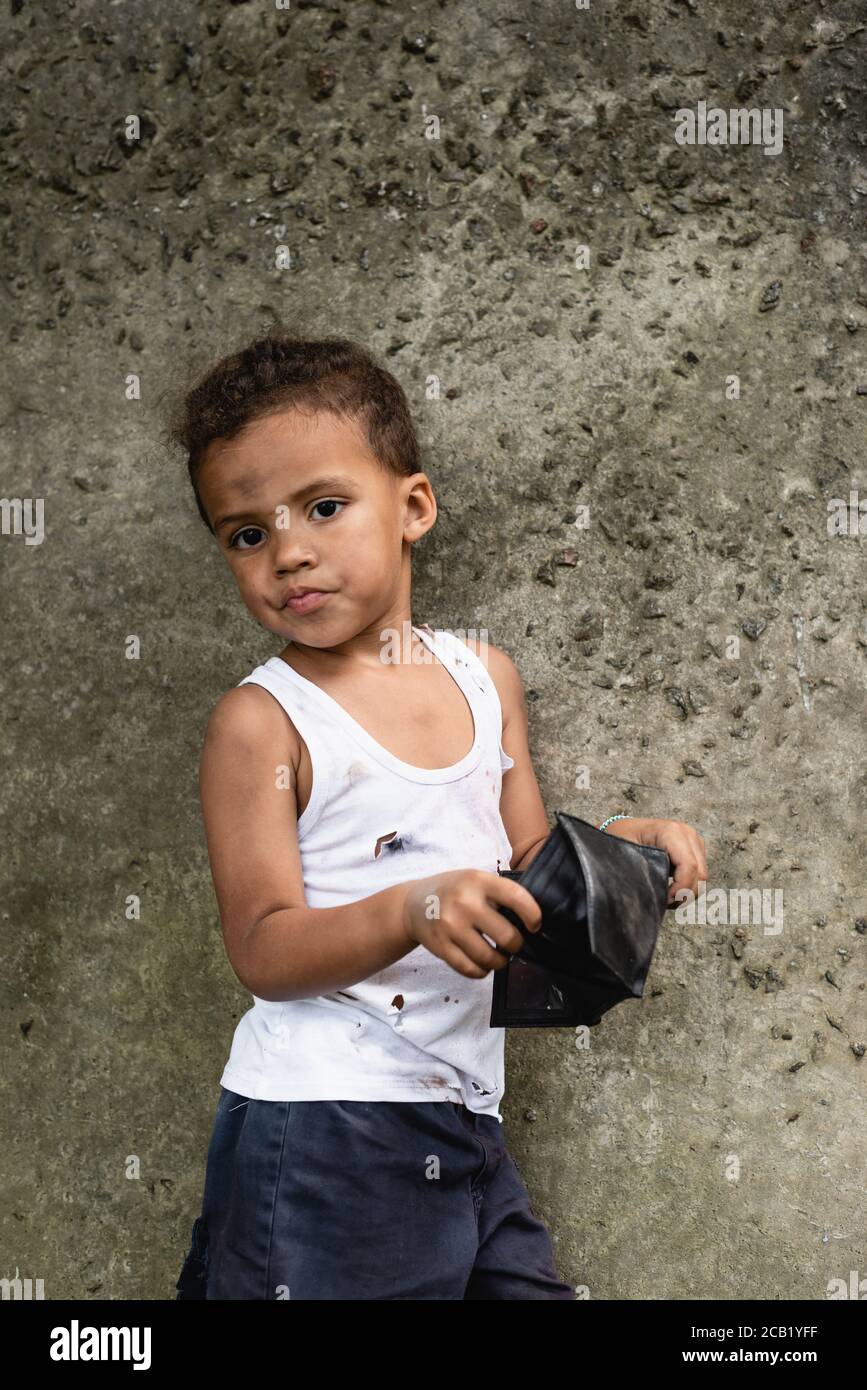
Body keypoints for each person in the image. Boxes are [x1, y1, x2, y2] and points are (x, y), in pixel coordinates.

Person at [170, 334, 707, 1300]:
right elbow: (262, 946)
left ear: (413, 507)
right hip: (327, 1123)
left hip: (461, 1114)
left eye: (324, 507)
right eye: (246, 533)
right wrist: (410, 909)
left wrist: (623, 851)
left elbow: (527, 863)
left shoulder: (481, 675)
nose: (287, 549)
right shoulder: (263, 722)